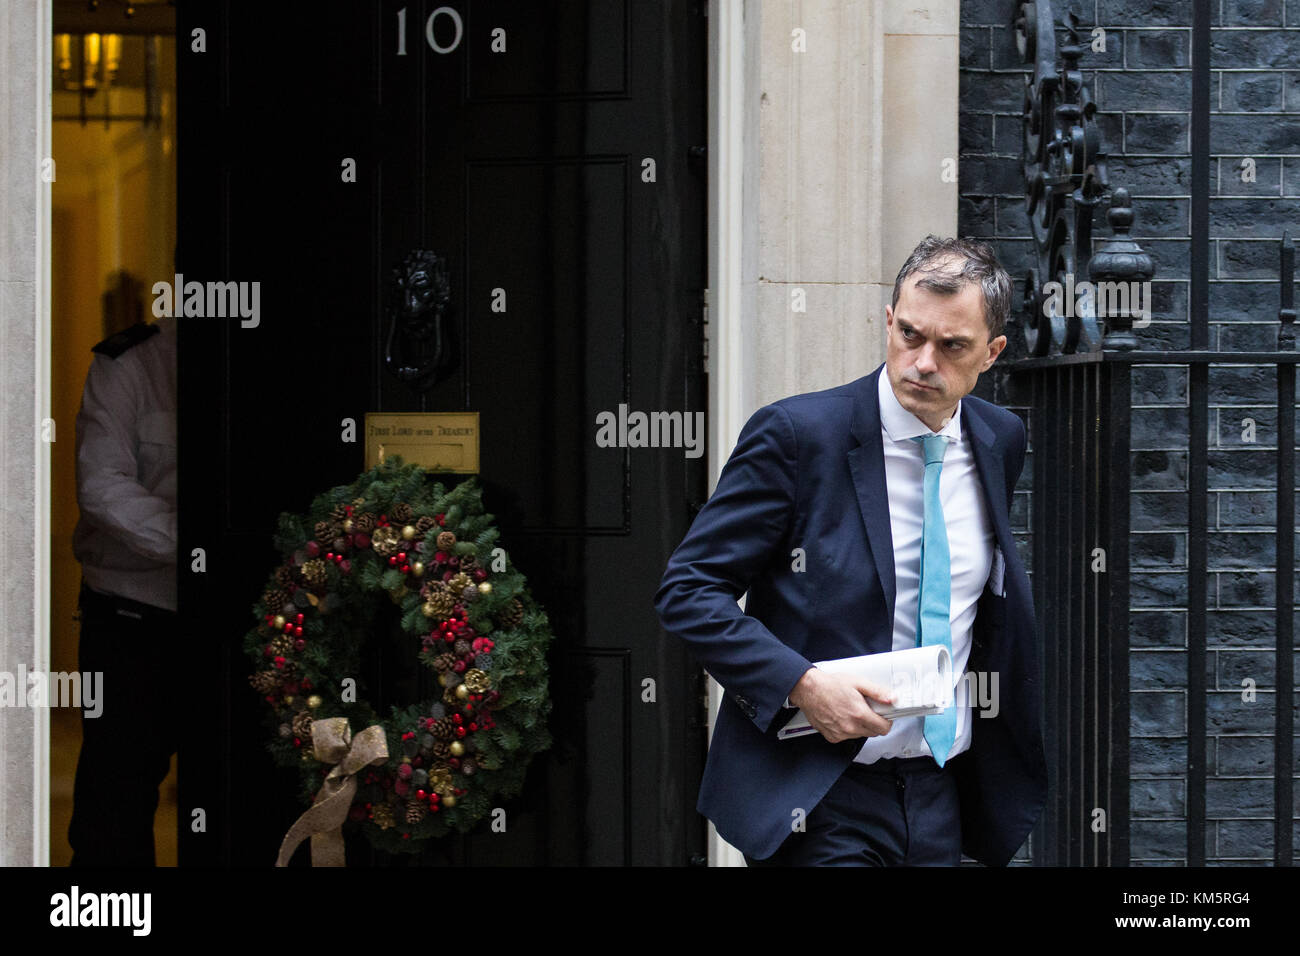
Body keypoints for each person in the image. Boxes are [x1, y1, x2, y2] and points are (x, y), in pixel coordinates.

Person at [654, 236, 1046, 866]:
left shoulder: (1000, 439)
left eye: (952, 347)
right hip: (820, 794)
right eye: (910, 335)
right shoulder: (797, 436)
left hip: (941, 788)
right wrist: (801, 684)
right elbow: (688, 590)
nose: (922, 362)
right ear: (889, 321)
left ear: (991, 353)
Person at [68, 313, 178, 867]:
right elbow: (102, 484)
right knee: (114, 802)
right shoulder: (129, 361)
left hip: (245, 617)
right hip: (134, 617)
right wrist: (200, 548)